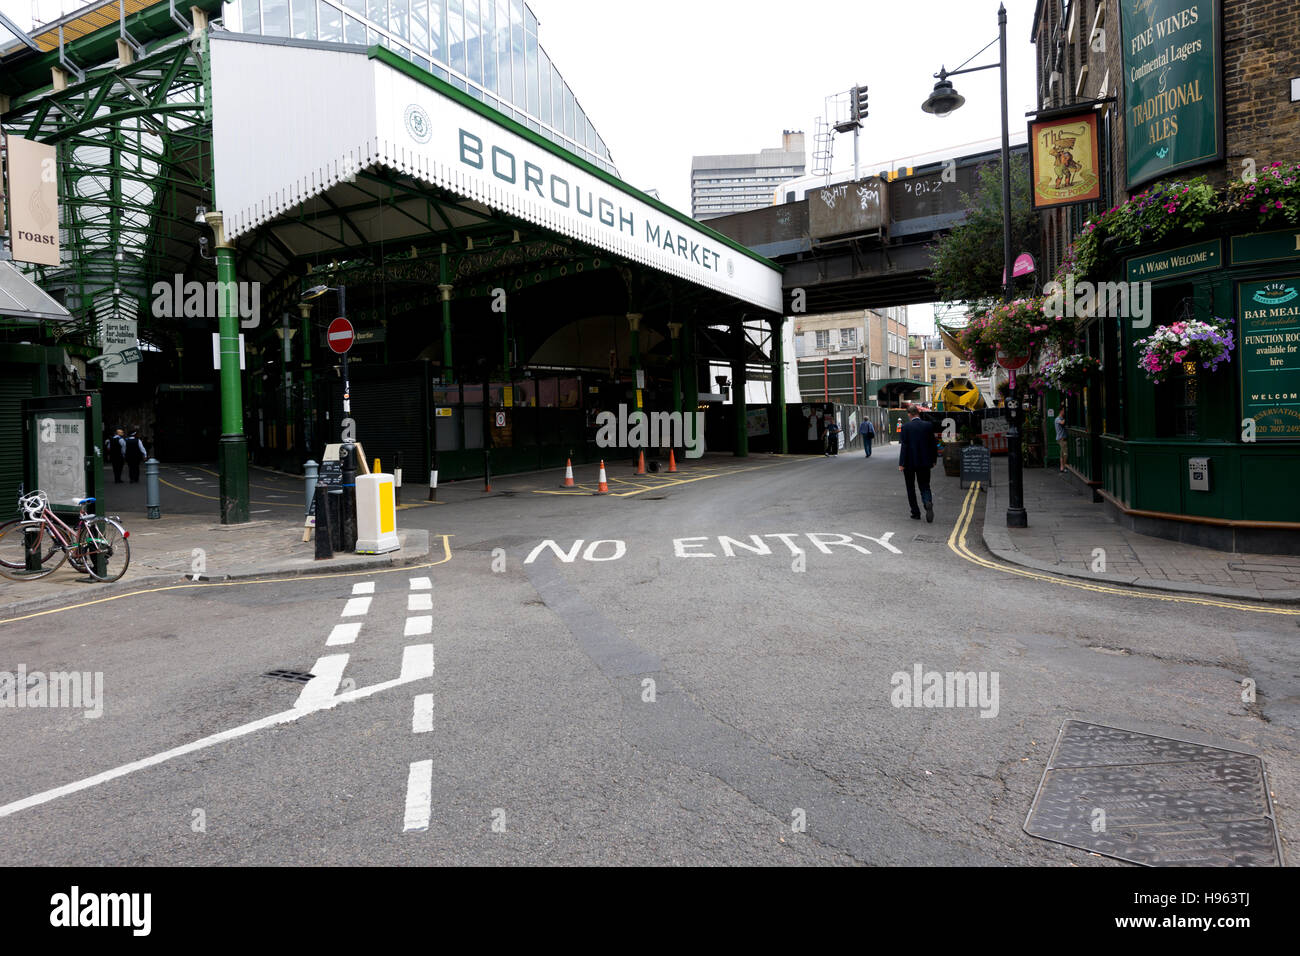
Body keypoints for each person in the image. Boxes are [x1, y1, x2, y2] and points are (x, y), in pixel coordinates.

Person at [898, 405, 937, 522]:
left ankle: (915, 512)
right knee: (925, 485)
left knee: (911, 488)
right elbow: (933, 445)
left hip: (909, 463)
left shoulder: (905, 427)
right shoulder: (928, 426)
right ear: (918, 413)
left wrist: (901, 463)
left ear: (909, 414)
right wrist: (934, 460)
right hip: (925, 462)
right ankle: (927, 502)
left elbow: (904, 447)